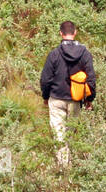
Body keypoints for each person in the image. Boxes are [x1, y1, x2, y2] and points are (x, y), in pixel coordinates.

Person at [39, 21, 96, 168]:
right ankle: (70, 166)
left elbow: (45, 79)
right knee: (70, 134)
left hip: (56, 98)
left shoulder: (54, 54)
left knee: (59, 135)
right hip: (75, 100)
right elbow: (91, 78)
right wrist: (89, 99)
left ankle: (64, 169)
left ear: (61, 33)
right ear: (75, 32)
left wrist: (45, 97)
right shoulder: (84, 53)